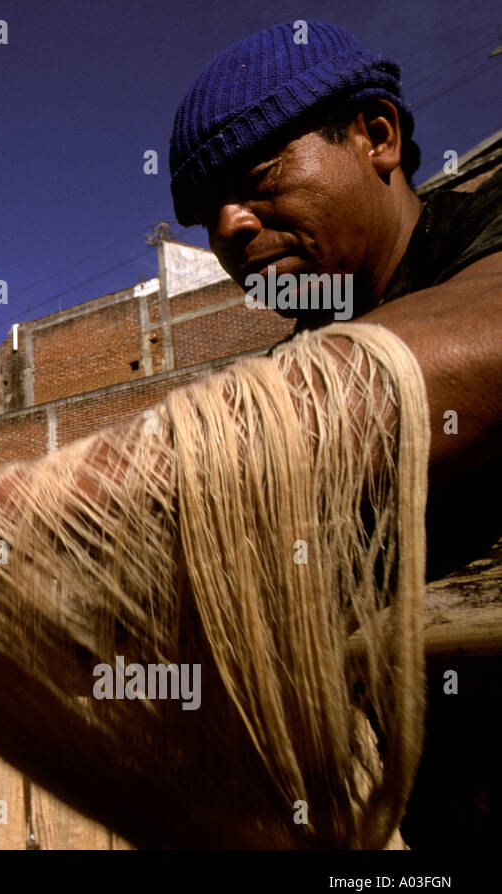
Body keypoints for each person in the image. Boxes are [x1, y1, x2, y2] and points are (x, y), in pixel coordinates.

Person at [168, 20, 502, 847]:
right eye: (211, 216)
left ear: (376, 136)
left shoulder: (484, 230)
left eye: (257, 178)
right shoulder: (295, 363)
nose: (234, 228)